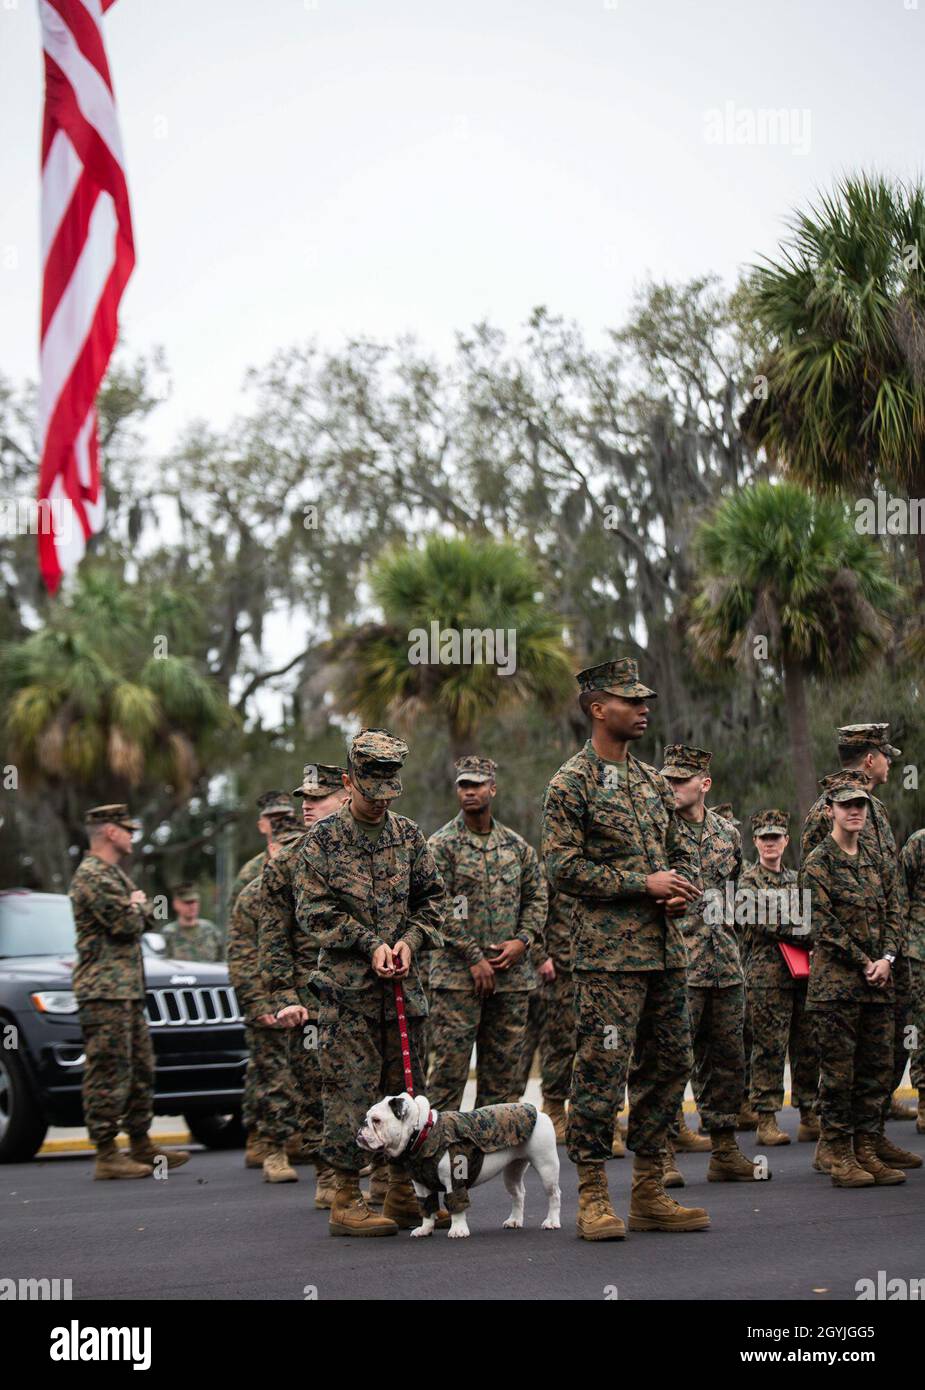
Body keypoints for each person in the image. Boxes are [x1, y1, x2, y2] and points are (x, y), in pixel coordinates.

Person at [542, 658, 708, 1240]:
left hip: (665, 952)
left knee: (670, 1064)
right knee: (602, 1070)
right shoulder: (571, 783)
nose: (643, 711)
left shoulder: (647, 782)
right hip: (609, 958)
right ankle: (591, 1195)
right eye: (631, 702)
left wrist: (682, 888)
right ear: (596, 708)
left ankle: (648, 1189)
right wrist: (642, 885)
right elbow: (561, 868)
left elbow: (676, 851)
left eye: (645, 702)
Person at [294, 730, 446, 1236]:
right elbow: (313, 911)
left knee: (405, 1091)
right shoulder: (322, 841)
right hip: (347, 993)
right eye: (369, 792)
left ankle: (402, 1190)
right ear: (347, 781)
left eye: (388, 793)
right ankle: (345, 1197)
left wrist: (410, 941)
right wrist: (367, 942)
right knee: (350, 1092)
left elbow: (434, 901)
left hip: (403, 991)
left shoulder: (408, 835)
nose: (380, 803)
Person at [803, 724, 919, 1168]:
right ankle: (838, 1146)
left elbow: (890, 886)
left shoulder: (879, 810)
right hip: (846, 965)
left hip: (887, 954)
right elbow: (820, 891)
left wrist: (889, 954)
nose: (890, 762)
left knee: (884, 1052)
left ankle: (870, 1138)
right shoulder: (824, 814)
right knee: (841, 1061)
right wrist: (863, 957)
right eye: (885, 755)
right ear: (869, 759)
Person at [68, 805, 189, 1180]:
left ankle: (139, 1143)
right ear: (109, 833)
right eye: (127, 829)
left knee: (139, 1068)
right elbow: (124, 923)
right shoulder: (91, 875)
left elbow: (143, 914)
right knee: (108, 1069)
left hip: (126, 990)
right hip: (104, 992)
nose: (132, 835)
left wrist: (137, 906)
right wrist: (135, 905)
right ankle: (106, 1152)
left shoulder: (112, 874)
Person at [659, 745, 761, 1184]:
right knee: (670, 1060)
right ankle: (660, 1153)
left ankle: (724, 1147)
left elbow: (733, 891)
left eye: (681, 779)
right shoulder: (658, 830)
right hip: (678, 963)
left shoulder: (726, 833)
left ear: (705, 784)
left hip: (725, 963)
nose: (672, 786)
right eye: (668, 779)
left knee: (728, 1059)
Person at [426, 756, 547, 1113]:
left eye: (477, 785)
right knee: (449, 1072)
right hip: (457, 979)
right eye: (463, 785)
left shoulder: (516, 847)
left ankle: (492, 1157)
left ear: (492, 789)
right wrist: (472, 956)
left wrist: (522, 941)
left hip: (511, 978)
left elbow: (538, 898)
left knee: (504, 1077)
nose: (469, 792)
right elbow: (436, 905)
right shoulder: (441, 846)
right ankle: (441, 1156)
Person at [258, 763, 350, 1209]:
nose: (307, 806)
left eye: (318, 797)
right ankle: (330, 1178)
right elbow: (271, 933)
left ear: (346, 797)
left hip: (360, 992)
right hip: (309, 996)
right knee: (316, 1090)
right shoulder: (289, 860)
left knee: (362, 1088)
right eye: (304, 799)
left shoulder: (369, 847)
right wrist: (282, 997)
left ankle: (383, 1178)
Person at [740, 810, 819, 1146]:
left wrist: (806, 928)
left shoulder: (797, 879)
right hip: (766, 977)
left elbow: (813, 914)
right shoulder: (747, 882)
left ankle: (809, 1112)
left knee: (807, 1044)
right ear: (755, 841)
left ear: (786, 840)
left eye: (776, 837)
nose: (770, 843)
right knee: (769, 1048)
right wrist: (807, 931)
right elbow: (765, 920)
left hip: (802, 974)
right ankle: (767, 1118)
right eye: (763, 837)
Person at [515, 882, 577, 1146]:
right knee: (559, 1040)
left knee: (595, 1044)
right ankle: (553, 1108)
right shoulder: (556, 866)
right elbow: (535, 912)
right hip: (560, 969)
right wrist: (539, 956)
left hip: (597, 963)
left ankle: (586, 1114)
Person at [900, 828, 925, 1148]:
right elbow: (899, 893)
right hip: (920, 950)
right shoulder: (919, 843)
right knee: (921, 1025)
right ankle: (923, 1100)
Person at [228, 790, 295, 909]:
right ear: (261, 826)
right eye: (272, 817)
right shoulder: (250, 873)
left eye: (285, 816)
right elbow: (238, 920)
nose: (279, 822)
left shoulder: (312, 857)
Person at [162, 884, 223, 962]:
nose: (192, 906)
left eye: (195, 902)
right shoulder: (169, 933)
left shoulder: (211, 930)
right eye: (187, 902)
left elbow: (222, 962)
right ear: (176, 904)